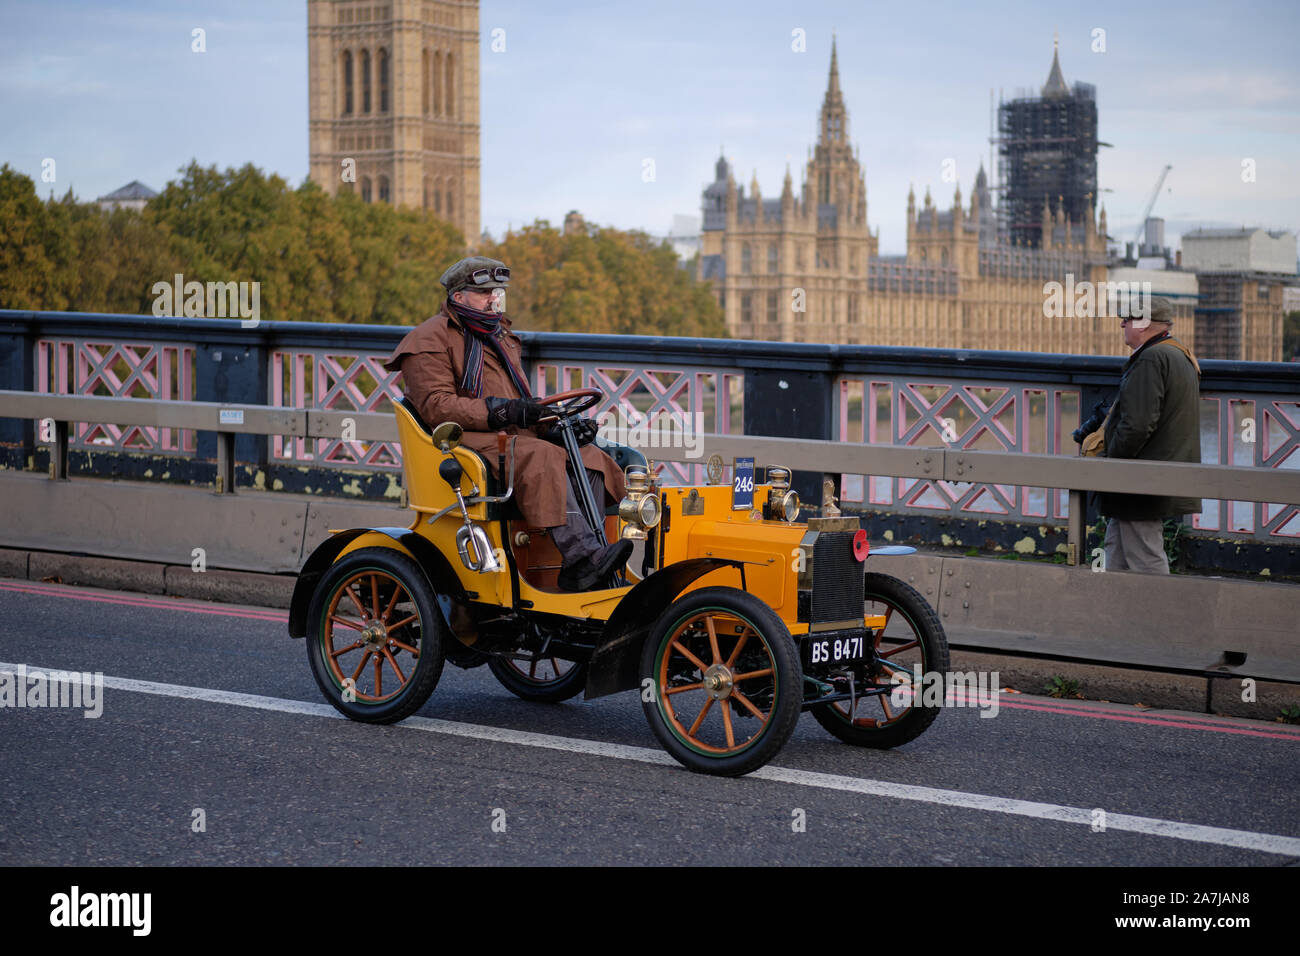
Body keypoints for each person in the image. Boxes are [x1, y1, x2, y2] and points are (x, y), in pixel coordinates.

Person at [384, 256, 631, 590]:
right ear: (459, 297)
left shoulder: (502, 336)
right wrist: (500, 412)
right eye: (484, 292)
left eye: (497, 292)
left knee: (589, 456)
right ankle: (584, 557)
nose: (494, 299)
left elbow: (521, 406)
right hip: (459, 441)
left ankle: (585, 561)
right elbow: (436, 408)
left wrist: (557, 429)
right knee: (541, 457)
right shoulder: (428, 339)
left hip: (506, 436)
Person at [1097, 296, 1201, 573]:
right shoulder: (1178, 353)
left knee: (1145, 556)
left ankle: (1158, 613)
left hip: (1140, 476)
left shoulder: (1151, 358)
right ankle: (1113, 611)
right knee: (1116, 549)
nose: (1122, 324)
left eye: (1127, 320)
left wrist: (1112, 463)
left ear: (1143, 324)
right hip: (1159, 468)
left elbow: (1138, 426)